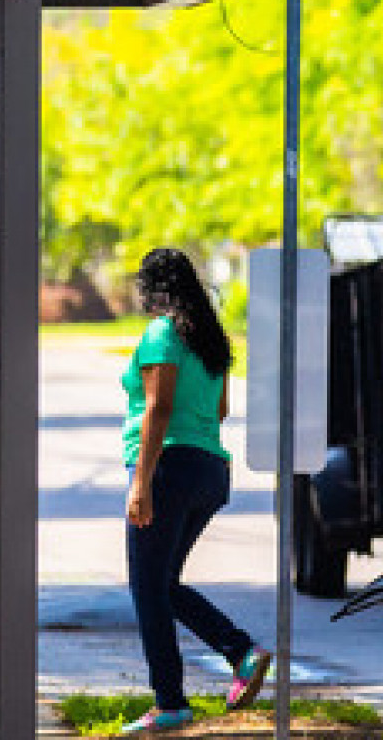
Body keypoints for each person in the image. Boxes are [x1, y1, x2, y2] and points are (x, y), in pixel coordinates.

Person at [119, 248, 272, 734]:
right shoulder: (210, 340)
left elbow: (158, 409)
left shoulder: (162, 333)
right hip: (208, 469)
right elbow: (221, 409)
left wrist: (142, 481)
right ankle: (240, 651)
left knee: (147, 588)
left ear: (151, 289)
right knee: (162, 584)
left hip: (170, 468)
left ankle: (170, 703)